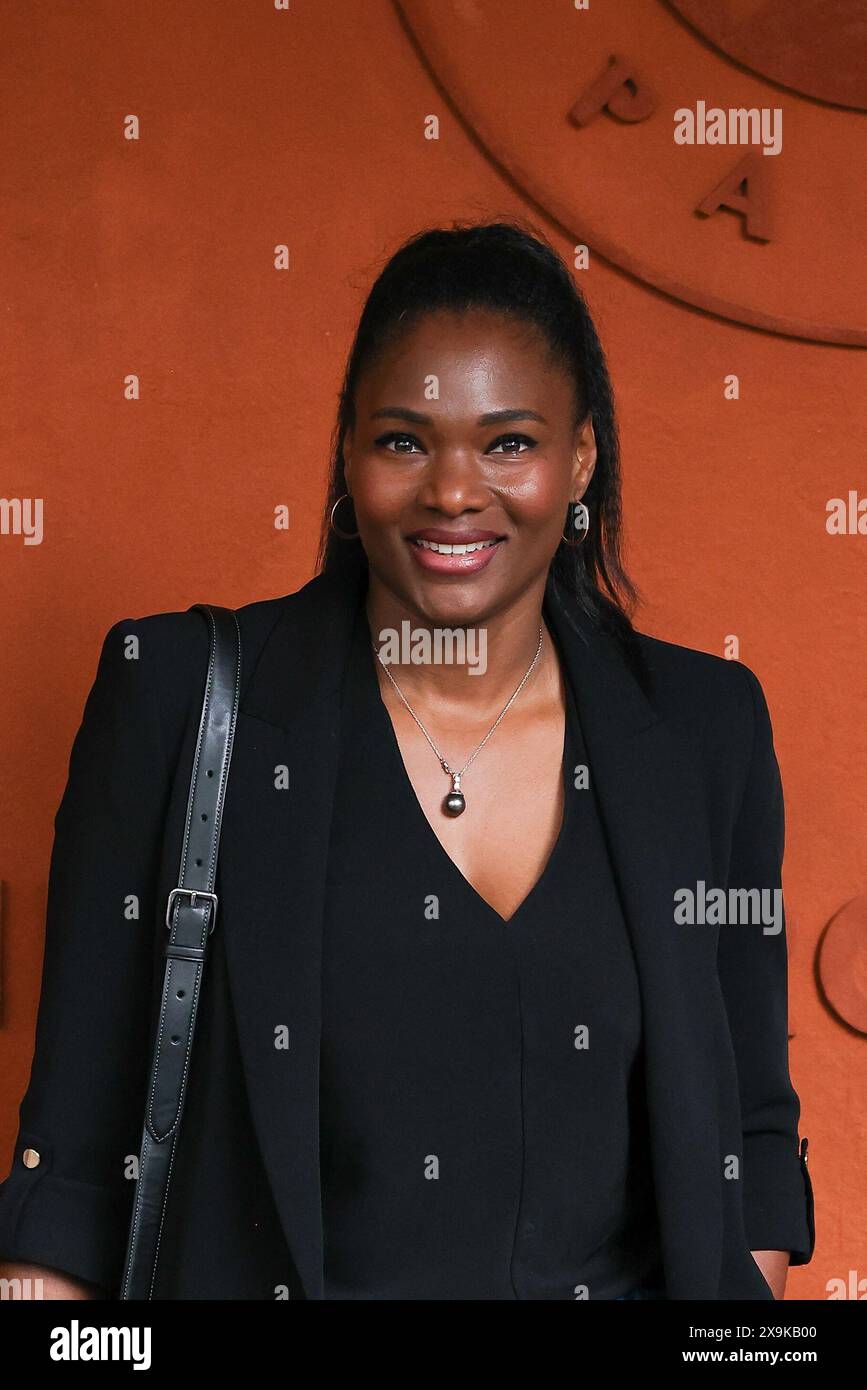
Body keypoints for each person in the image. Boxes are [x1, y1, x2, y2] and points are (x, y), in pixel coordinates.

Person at [0, 221, 814, 1300]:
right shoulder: (178, 698)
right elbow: (66, 1182)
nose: (454, 491)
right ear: (346, 453)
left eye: (510, 442)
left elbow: (751, 1138)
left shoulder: (708, 728)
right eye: (404, 440)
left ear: (581, 459)